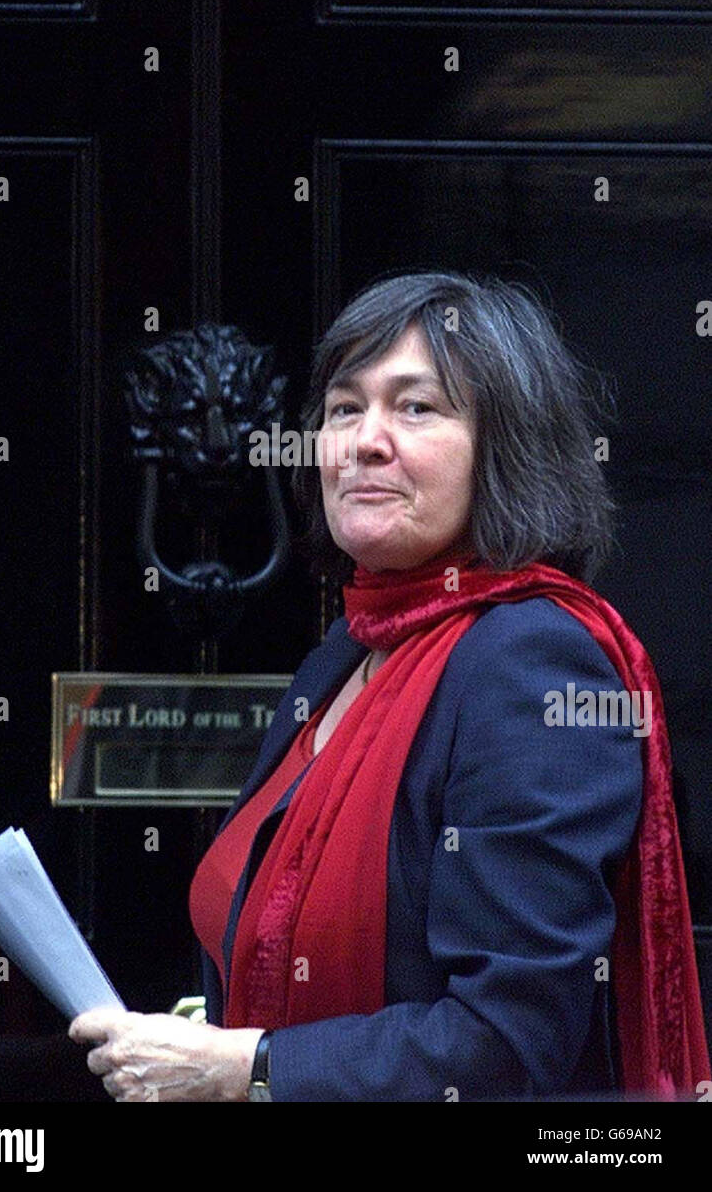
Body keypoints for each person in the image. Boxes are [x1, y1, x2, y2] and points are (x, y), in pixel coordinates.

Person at [69, 271, 711, 1101]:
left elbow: (506, 1043)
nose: (364, 440)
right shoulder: (345, 653)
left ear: (507, 447)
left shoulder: (532, 661)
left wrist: (246, 1069)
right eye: (343, 408)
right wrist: (212, 1037)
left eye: (417, 407)